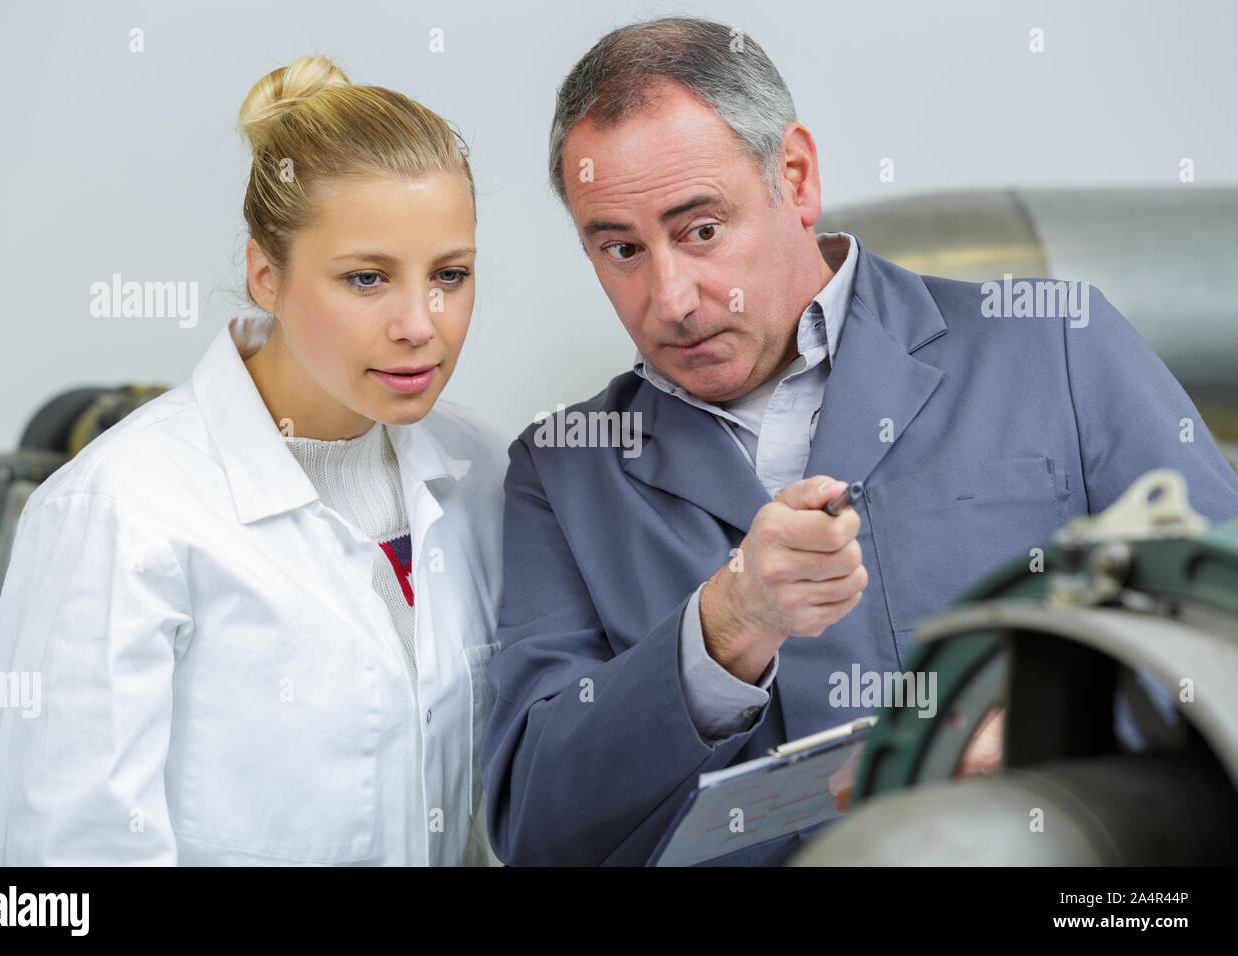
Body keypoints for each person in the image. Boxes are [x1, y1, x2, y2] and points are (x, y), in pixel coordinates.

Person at [480, 16, 1238, 866]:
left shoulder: (1053, 347)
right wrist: (724, 626)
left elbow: (1227, 638)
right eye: (621, 248)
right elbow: (537, 824)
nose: (673, 298)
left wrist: (1052, 734)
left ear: (795, 177)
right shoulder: (565, 470)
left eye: (700, 229)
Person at [0, 55, 505, 865]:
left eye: (450, 275)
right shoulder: (120, 512)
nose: (421, 324)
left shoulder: (482, 470)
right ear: (266, 274)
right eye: (366, 278)